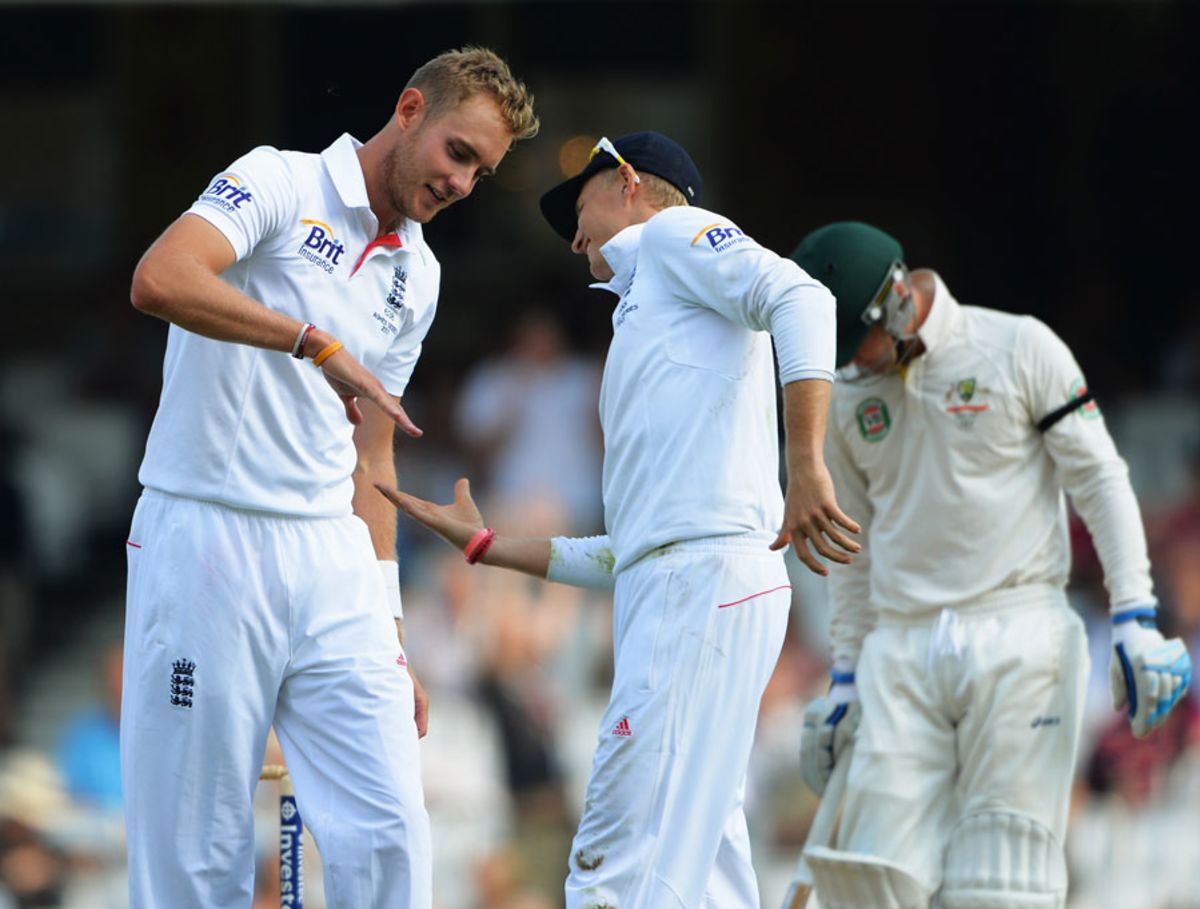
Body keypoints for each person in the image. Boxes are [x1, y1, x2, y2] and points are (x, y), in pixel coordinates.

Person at [377, 131, 860, 908]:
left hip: (700, 585)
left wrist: (804, 463)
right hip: (688, 582)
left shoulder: (671, 235)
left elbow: (804, 297)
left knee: (611, 864)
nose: (573, 237)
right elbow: (631, 553)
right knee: (704, 866)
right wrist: (490, 546)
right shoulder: (652, 309)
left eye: (579, 207)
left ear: (629, 181)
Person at [122, 47, 537, 909]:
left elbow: (372, 456)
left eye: (483, 173)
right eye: (460, 153)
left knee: (391, 830)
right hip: (207, 536)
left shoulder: (418, 274)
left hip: (333, 560)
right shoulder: (277, 180)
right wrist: (313, 340)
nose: (464, 184)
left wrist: (390, 625)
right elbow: (160, 278)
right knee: (196, 857)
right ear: (411, 109)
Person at [789, 221, 1193, 908]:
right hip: (901, 645)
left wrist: (1135, 615)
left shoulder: (1017, 347)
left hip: (1019, 631)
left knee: (1000, 886)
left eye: (854, 347)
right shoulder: (850, 396)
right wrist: (847, 677)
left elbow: (1099, 480)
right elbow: (852, 552)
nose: (849, 366)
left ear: (892, 300)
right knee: (864, 883)